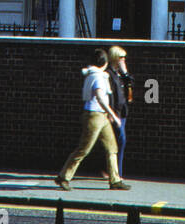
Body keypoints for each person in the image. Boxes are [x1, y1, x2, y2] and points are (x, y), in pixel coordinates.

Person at [55, 48, 131, 191]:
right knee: (84, 149)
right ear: (105, 62)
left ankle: (115, 180)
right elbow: (100, 98)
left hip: (101, 115)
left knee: (112, 147)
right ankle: (63, 177)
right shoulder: (97, 77)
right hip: (94, 115)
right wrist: (114, 115)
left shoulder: (94, 75)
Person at [105, 45, 132, 179]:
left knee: (119, 141)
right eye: (121, 57)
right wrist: (111, 113)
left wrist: (125, 73)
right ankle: (115, 173)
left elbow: (130, 86)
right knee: (120, 139)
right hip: (115, 112)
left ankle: (114, 171)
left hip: (122, 112)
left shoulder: (120, 74)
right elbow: (110, 95)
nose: (123, 60)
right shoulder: (109, 74)